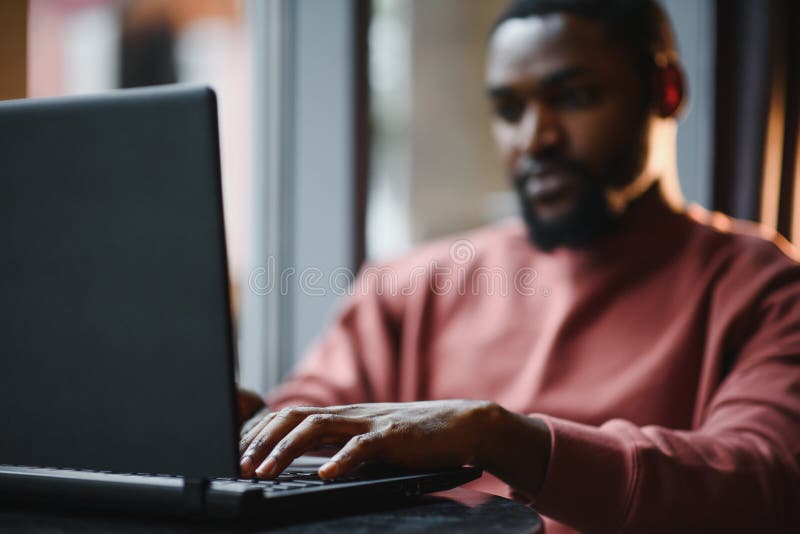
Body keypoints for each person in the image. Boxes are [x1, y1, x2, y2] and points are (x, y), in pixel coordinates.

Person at [237, 0, 800, 532]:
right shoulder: (407, 287)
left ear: (666, 91)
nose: (536, 138)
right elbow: (303, 420)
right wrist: (242, 419)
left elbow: (764, 477)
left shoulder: (764, 287)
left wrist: (502, 439)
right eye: (509, 110)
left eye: (575, 97)